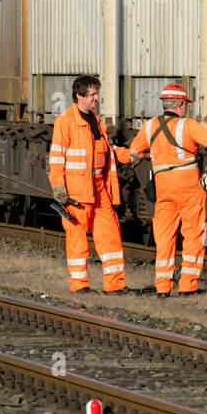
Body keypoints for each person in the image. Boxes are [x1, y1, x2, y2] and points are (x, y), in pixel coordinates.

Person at [129, 83, 207, 296]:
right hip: (188, 187)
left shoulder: (149, 126)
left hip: (163, 187)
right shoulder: (187, 125)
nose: (186, 108)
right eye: (185, 104)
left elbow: (134, 153)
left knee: (164, 237)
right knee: (194, 235)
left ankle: (163, 287)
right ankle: (188, 286)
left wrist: (154, 156)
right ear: (179, 104)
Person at [48, 75, 133, 293]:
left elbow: (109, 152)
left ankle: (115, 285)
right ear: (80, 95)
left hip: (99, 189)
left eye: (97, 94)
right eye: (93, 94)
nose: (97, 98)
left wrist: (132, 155)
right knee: (77, 239)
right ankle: (80, 285)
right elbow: (56, 159)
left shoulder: (96, 121)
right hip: (76, 192)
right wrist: (59, 189)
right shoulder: (65, 122)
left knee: (110, 236)